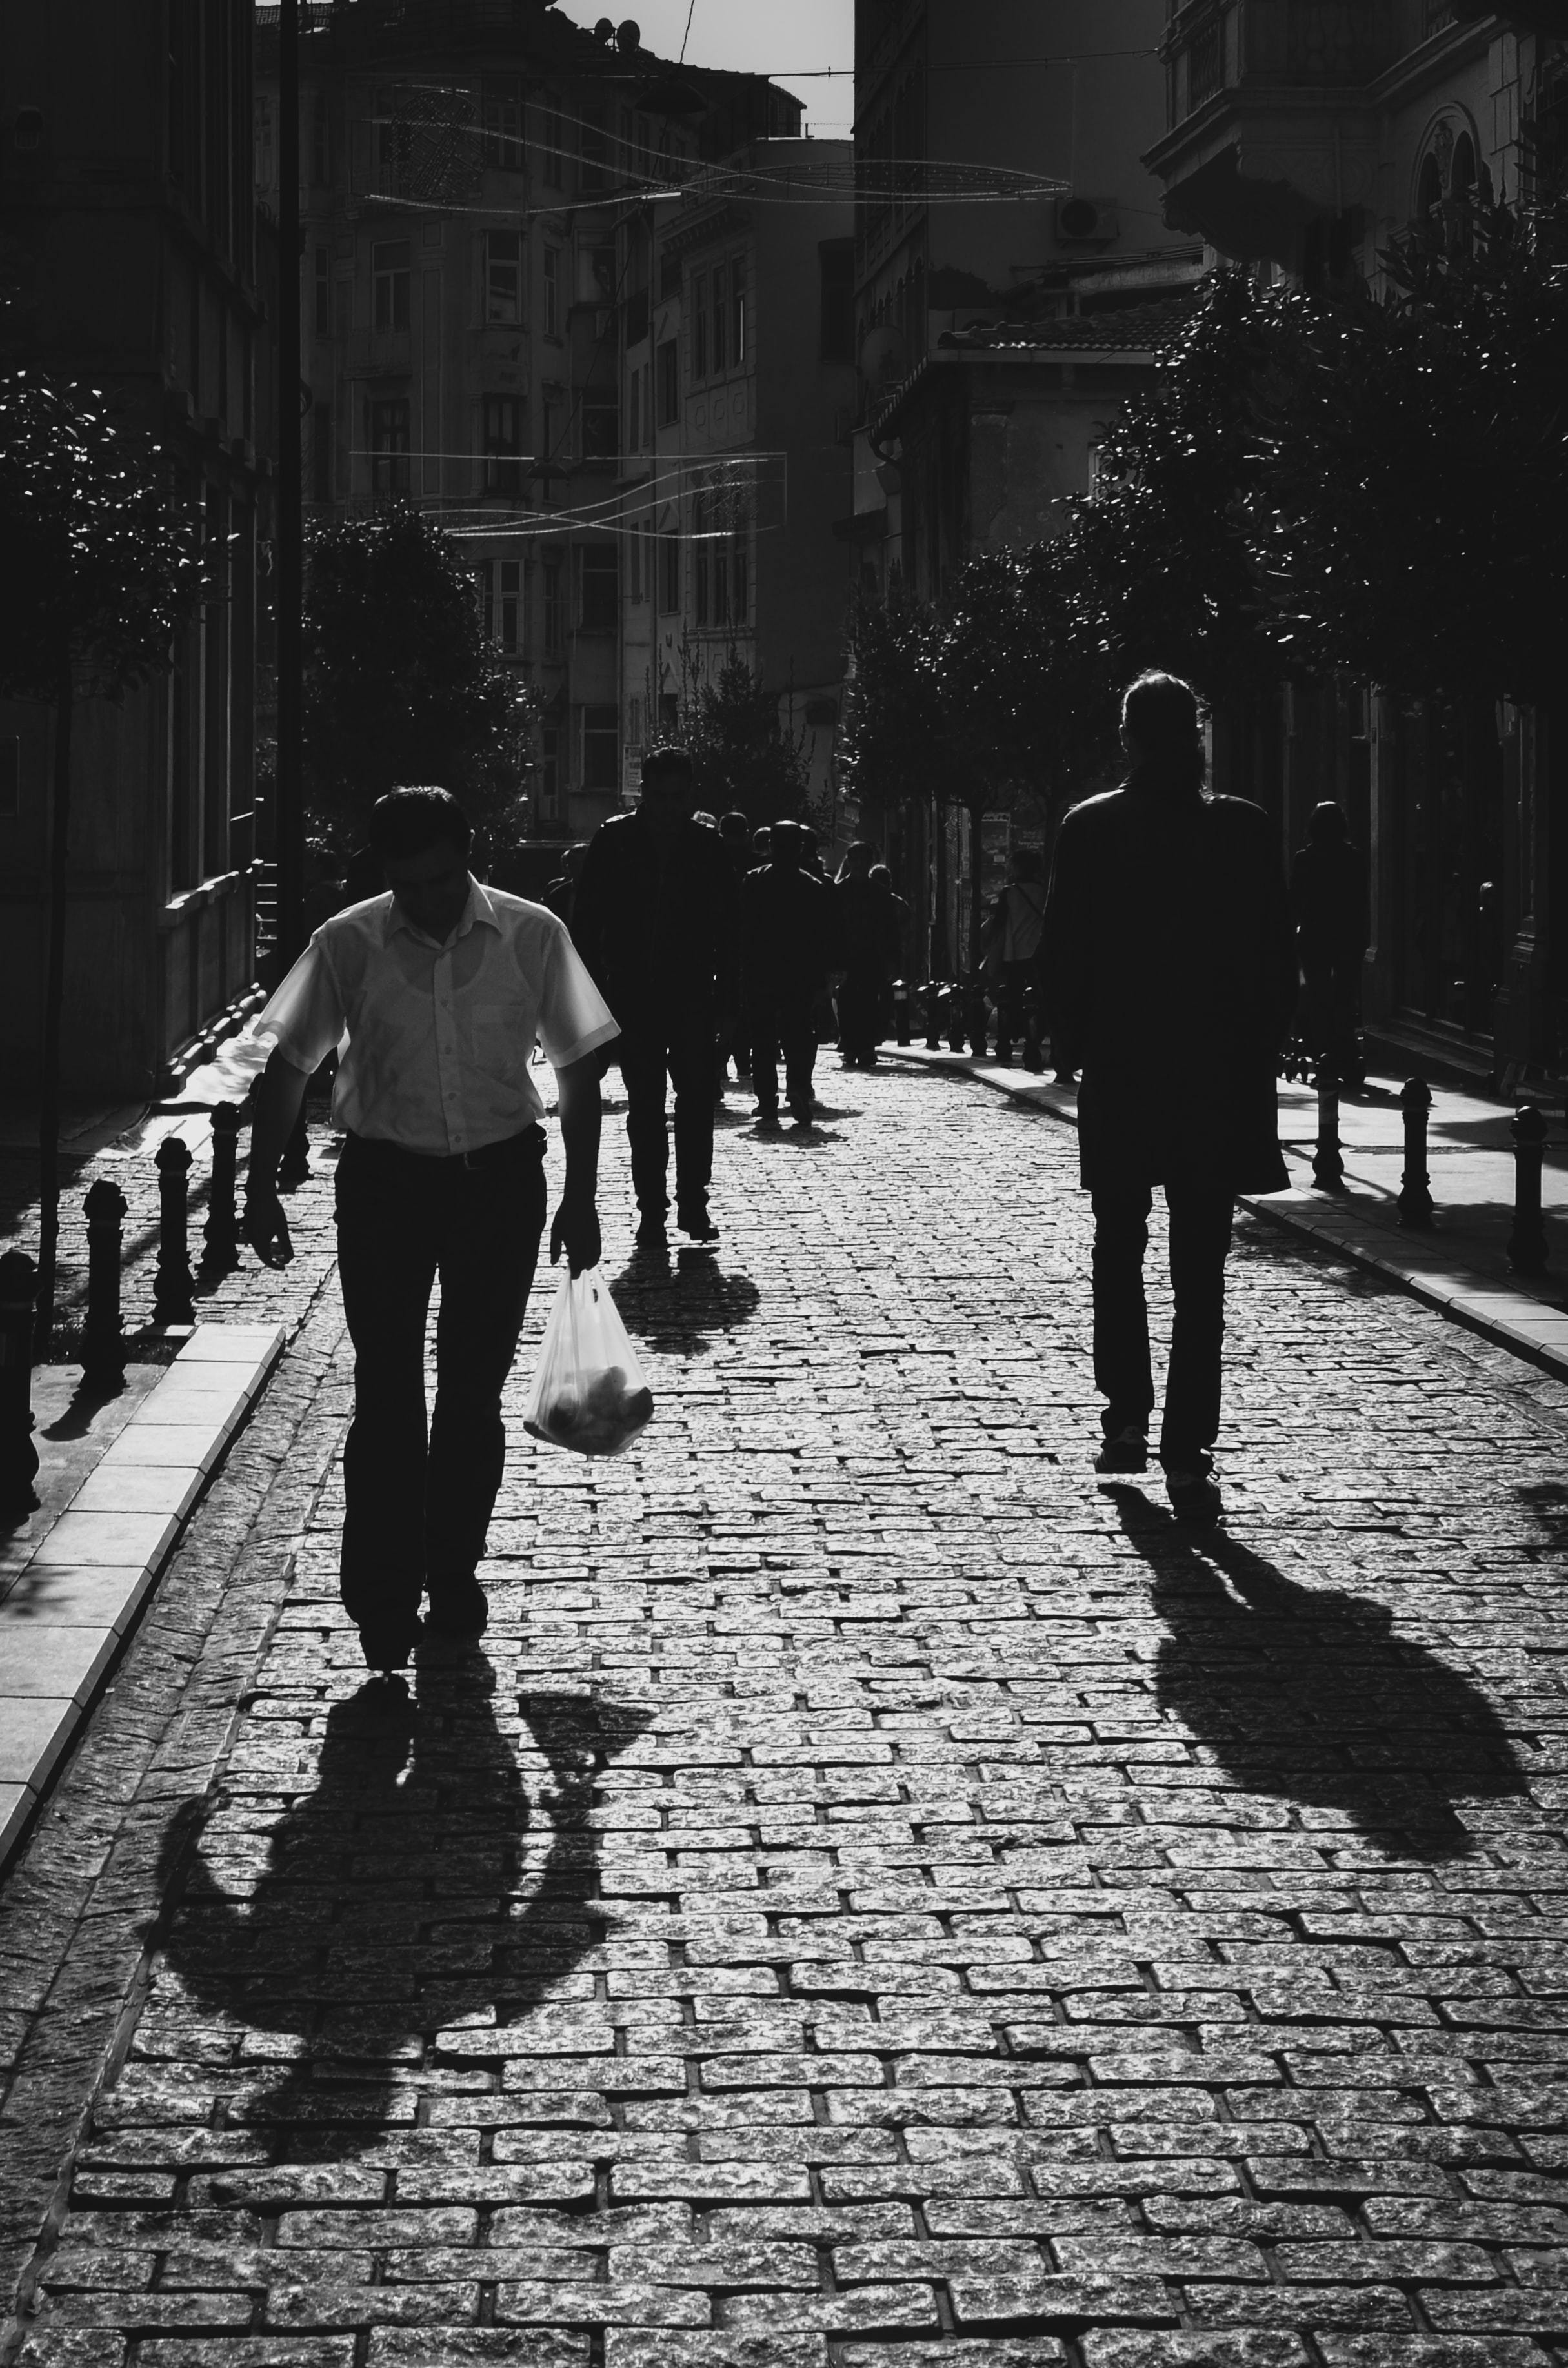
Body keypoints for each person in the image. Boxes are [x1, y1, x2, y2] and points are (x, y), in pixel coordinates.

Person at [242, 787, 619, 1675]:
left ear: (468, 857)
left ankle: (452, 1570)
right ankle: (379, 1594)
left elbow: (576, 1068)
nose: (431, 902)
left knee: (469, 1393)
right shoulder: (347, 942)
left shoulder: (532, 934)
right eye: (410, 886)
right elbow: (290, 1065)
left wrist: (582, 1196)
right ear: (385, 876)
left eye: (444, 880)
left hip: (499, 1181)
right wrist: (259, 1189)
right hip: (384, 1186)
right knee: (386, 1394)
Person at [1037, 672, 1296, 1524]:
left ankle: (1124, 1418)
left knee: (1118, 1246)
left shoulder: (1091, 826)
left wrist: (1068, 1045)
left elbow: (1062, 954)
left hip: (1124, 1069)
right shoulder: (1245, 831)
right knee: (1199, 1272)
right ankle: (1186, 1443)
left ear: (1129, 736)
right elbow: (1272, 964)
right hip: (1212, 1080)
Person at [570, 744, 738, 1251]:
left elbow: (730, 931)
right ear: (645, 792)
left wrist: (730, 1004)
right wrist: (590, 1003)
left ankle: (692, 1202)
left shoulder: (705, 845)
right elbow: (587, 925)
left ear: (689, 795)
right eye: (660, 795)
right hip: (633, 994)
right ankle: (651, 1210)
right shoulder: (615, 839)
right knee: (646, 1106)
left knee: (695, 1104)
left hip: (691, 993)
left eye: (678, 796)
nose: (669, 806)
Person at [742, 819, 836, 1129]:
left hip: (761, 972)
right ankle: (797, 1086)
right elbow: (825, 938)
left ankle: (767, 1101)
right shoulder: (813, 887)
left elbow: (738, 930)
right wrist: (824, 978)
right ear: (800, 849)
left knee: (763, 1040)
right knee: (799, 1036)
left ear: (770, 847)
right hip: (799, 974)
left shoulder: (753, 882)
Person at [1291, 802, 1368, 1084]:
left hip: (1314, 938)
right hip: (1347, 937)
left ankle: (1326, 1057)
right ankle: (1344, 1052)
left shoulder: (1305, 858)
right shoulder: (1354, 858)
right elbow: (1360, 901)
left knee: (1319, 998)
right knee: (1345, 998)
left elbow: (1295, 901)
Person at [833, 840, 892, 1068]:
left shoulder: (879, 893)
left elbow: (889, 928)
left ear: (870, 863)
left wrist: (891, 958)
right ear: (849, 861)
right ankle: (850, 1045)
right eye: (855, 860)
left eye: (864, 860)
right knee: (847, 1002)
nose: (859, 864)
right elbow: (831, 928)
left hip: (871, 955)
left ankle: (866, 1046)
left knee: (869, 1002)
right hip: (845, 955)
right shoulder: (838, 892)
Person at [982, 847, 1047, 1055]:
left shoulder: (1009, 893)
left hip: (1014, 954)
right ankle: (1034, 1035)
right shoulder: (1044, 892)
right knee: (1037, 997)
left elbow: (998, 925)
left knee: (1012, 997)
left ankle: (1008, 1037)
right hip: (1039, 953)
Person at [543, 841, 588, 933]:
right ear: (568, 867)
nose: (581, 868)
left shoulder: (606, 895)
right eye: (576, 864)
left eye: (584, 863)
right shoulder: (557, 895)